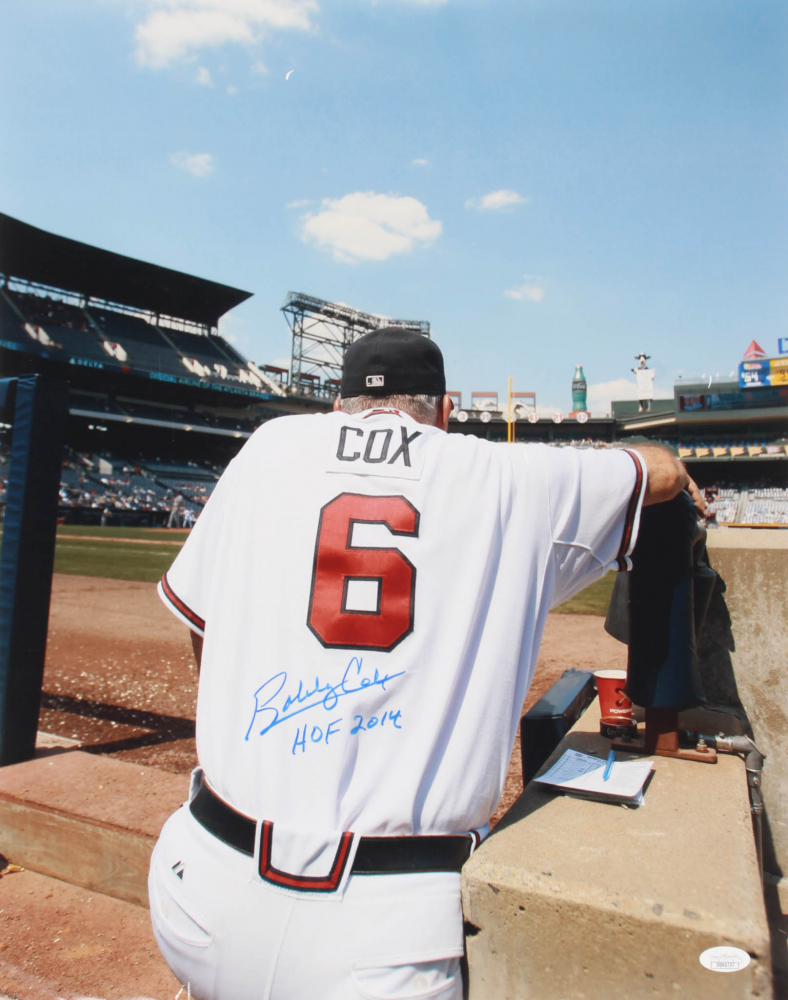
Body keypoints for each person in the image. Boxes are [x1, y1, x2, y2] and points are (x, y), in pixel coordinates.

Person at [151, 328, 705, 1000]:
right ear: (444, 411)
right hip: (389, 938)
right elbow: (659, 471)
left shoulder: (269, 447)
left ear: (338, 407)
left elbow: (203, 629)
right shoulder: (511, 474)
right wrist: (668, 466)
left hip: (199, 898)